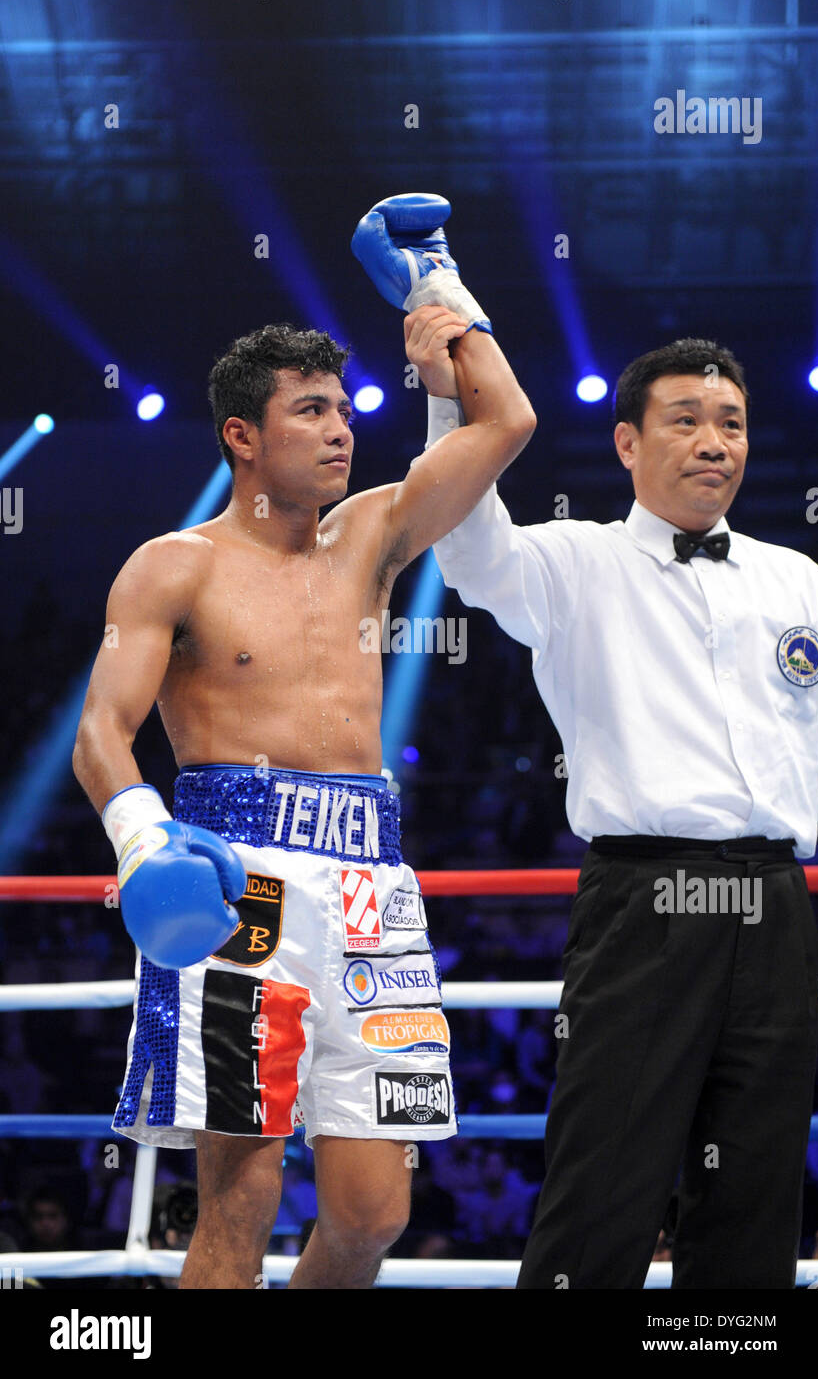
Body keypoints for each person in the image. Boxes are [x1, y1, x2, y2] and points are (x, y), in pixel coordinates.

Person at [72, 192, 535, 1290]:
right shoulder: (171, 565)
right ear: (242, 434)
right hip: (244, 882)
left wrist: (436, 294)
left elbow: (503, 423)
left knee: (376, 1210)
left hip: (373, 879)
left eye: (344, 409)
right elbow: (103, 729)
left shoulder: (368, 534)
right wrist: (143, 840)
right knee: (241, 1190)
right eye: (311, 412)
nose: (340, 429)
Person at [431, 337, 818, 1288]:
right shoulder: (574, 562)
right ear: (625, 443)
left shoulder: (799, 581)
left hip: (776, 901)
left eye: (729, 424)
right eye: (684, 421)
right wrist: (451, 397)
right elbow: (465, 545)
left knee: (753, 1198)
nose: (712, 443)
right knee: (604, 1183)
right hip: (647, 899)